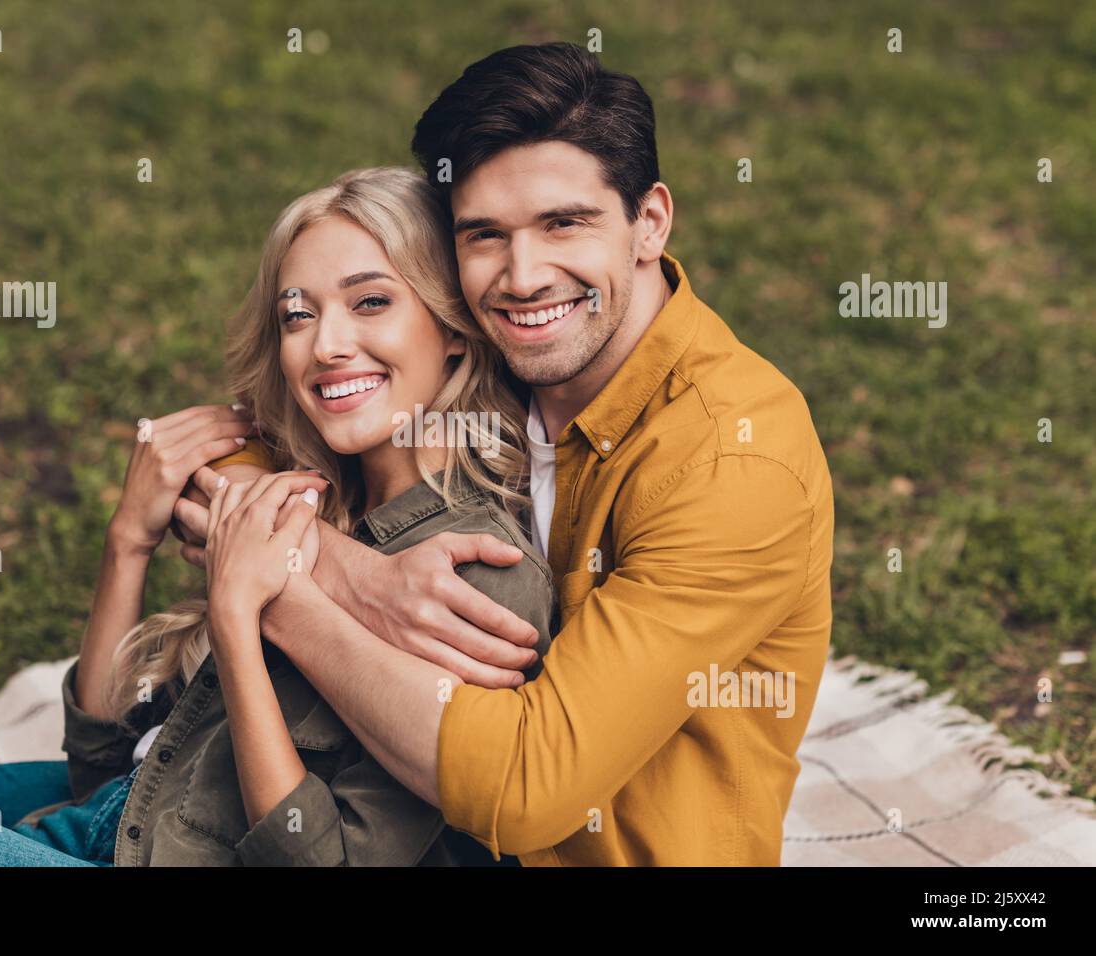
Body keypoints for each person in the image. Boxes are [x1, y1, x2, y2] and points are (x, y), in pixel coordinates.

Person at [175, 42, 836, 866]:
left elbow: (528, 787)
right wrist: (354, 571)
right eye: (485, 235)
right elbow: (228, 442)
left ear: (650, 221)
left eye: (565, 223)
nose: (523, 277)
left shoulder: (735, 462)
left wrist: (279, 591)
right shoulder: (499, 368)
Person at [0, 166, 553, 867]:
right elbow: (96, 759)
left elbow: (319, 859)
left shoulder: (472, 574)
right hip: (118, 819)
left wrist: (238, 613)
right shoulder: (305, 502)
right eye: (297, 315)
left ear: (454, 326)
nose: (326, 345)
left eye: (371, 302)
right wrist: (128, 540)